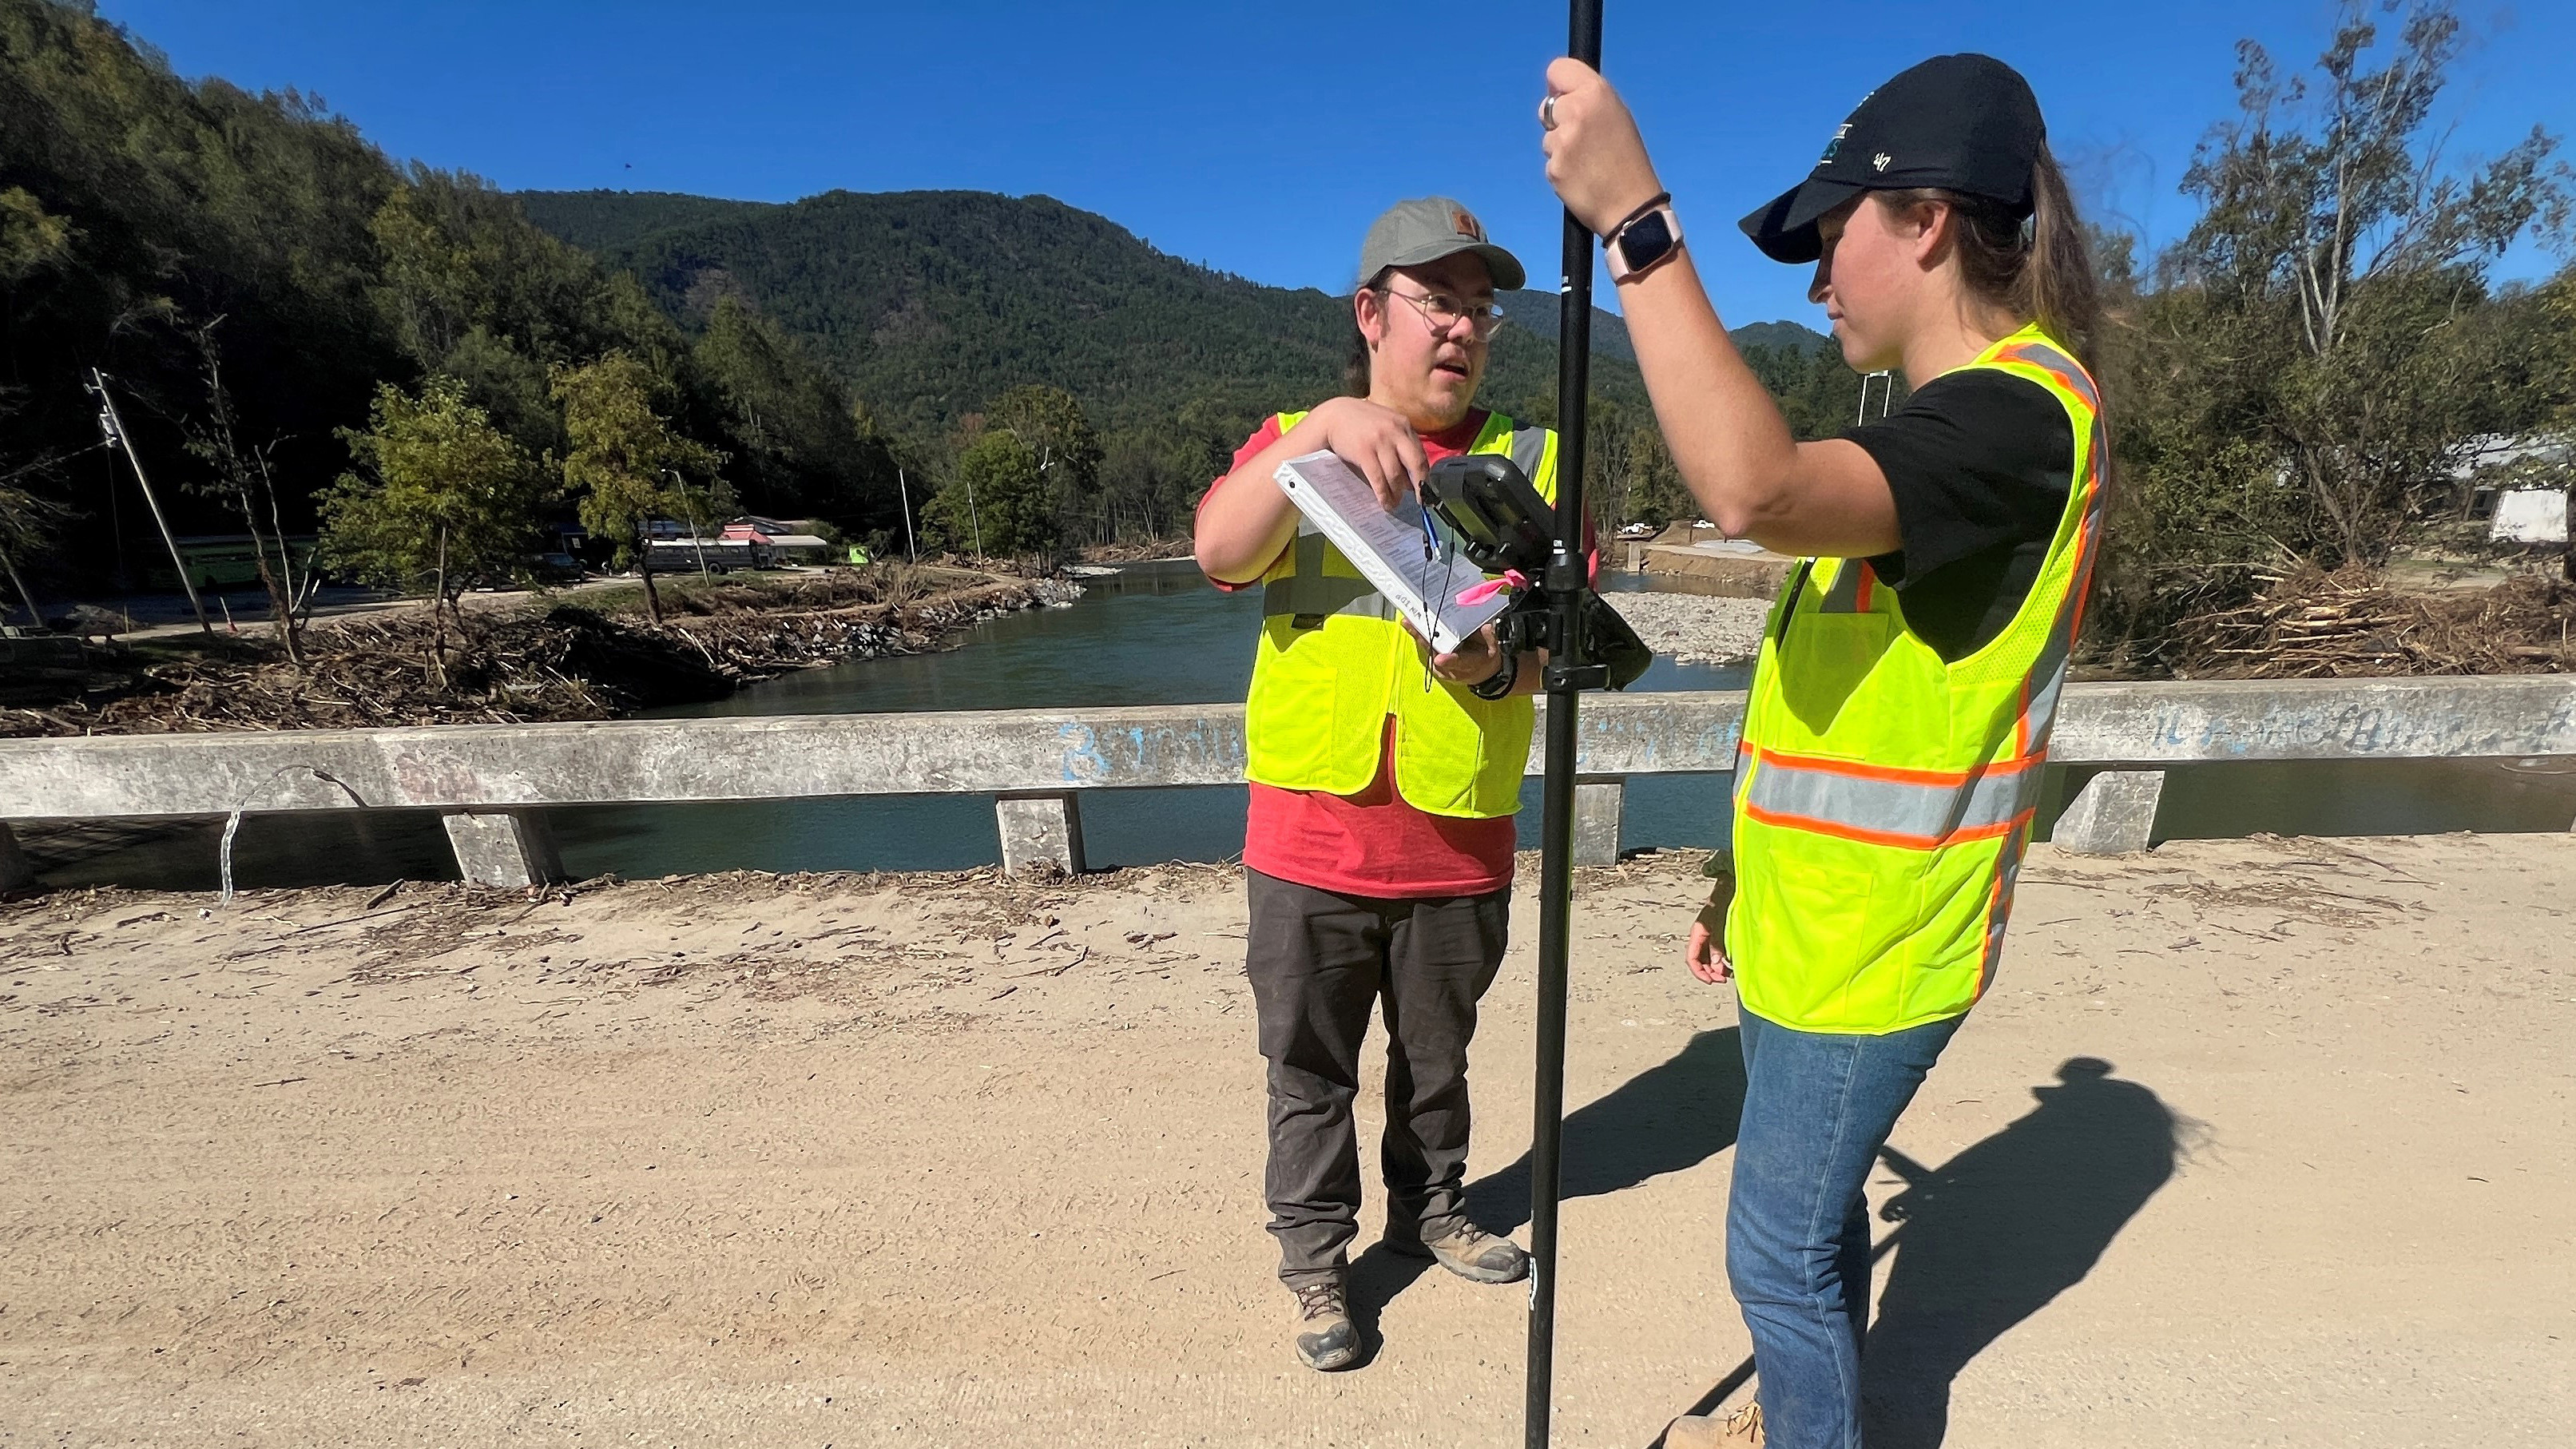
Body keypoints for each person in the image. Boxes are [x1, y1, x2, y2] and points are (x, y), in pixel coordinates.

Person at [1538, 54, 2110, 1447]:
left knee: (1770, 1254)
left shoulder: (2021, 416)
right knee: (1818, 1223)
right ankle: (1820, 1408)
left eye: (1828, 233)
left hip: (1881, 944)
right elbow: (1833, 706)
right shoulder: (1934, 431)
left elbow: (1751, 488)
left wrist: (1636, 222)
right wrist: (1739, 872)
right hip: (1807, 926)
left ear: (1922, 220)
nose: (1814, 280)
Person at [1193, 197, 1559, 1372]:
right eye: (1435, 301)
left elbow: (1556, 645)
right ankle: (1315, 1267)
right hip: (1309, 831)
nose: (1461, 328)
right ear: (1370, 313)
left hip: (1458, 832)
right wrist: (1318, 434)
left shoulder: (1536, 464)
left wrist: (1498, 660)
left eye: (1479, 307)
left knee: (1437, 1056)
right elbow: (1217, 551)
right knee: (1308, 1066)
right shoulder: (1295, 438)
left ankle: (1431, 1207)